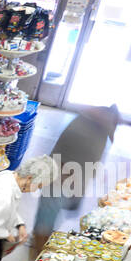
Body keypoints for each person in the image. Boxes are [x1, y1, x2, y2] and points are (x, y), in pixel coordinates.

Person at [32, 104, 120, 252]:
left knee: (49, 213)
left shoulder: (90, 125)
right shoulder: (92, 131)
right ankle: (37, 253)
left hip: (66, 176)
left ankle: (41, 242)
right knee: (47, 216)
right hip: (63, 176)